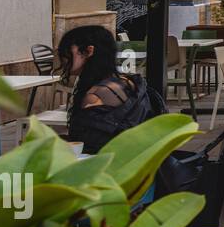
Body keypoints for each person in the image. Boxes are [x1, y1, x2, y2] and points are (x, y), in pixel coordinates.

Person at [58, 25, 162, 154]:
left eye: (67, 51)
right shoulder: (128, 83)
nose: (63, 58)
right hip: (138, 156)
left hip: (111, 162)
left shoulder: (95, 96)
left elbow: (89, 145)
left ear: (89, 51)